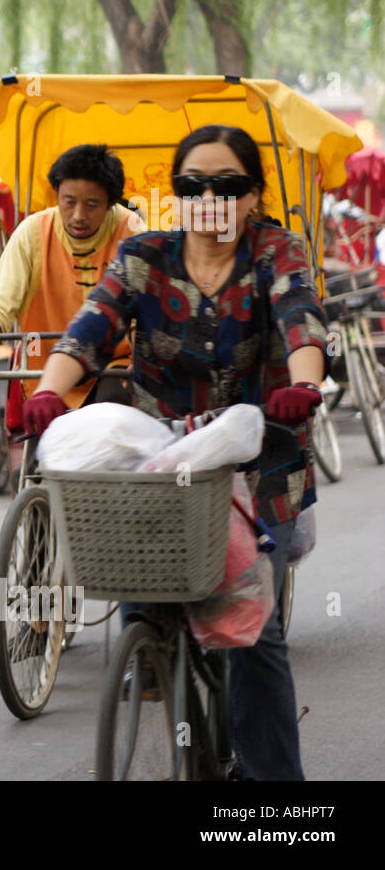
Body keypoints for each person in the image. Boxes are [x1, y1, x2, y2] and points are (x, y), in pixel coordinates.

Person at [25, 124, 328, 781]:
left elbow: (301, 316)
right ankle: (157, 661)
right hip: (162, 466)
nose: (210, 197)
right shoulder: (143, 255)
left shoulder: (276, 250)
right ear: (177, 194)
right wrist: (50, 392)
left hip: (259, 464)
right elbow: (92, 327)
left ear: (253, 195)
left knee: (251, 633)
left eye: (228, 185)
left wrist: (303, 384)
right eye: (193, 185)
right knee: (145, 594)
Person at [0, 144, 142, 420]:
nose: (78, 216)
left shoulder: (131, 231)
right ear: (57, 195)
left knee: (110, 419)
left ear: (111, 203)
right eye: (69, 201)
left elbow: (141, 312)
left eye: (91, 205)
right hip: (46, 368)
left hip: (113, 366)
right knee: (35, 448)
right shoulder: (32, 232)